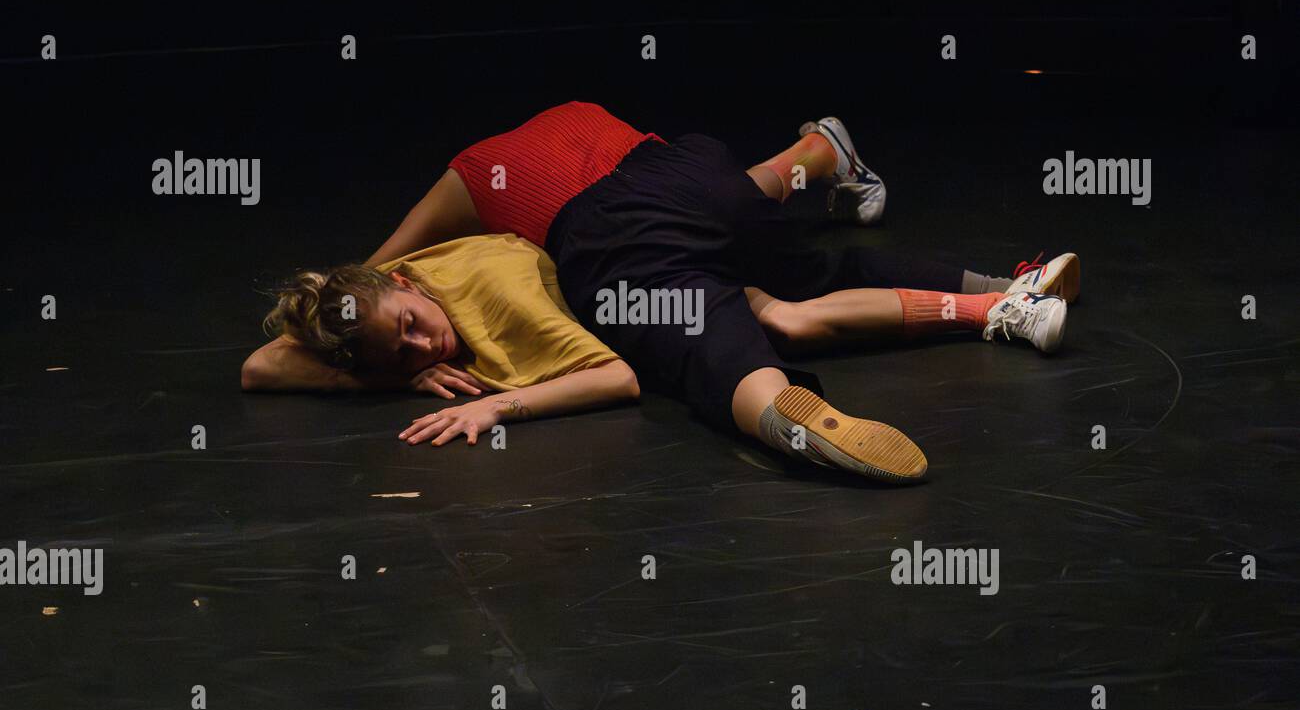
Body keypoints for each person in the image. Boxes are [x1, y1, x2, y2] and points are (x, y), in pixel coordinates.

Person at [244, 101, 1080, 483]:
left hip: (616, 227)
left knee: (711, 342)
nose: (428, 346)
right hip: (688, 173)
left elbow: (268, 361)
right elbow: (323, 320)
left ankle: (773, 411)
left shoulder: (468, 191)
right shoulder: (553, 141)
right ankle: (1002, 291)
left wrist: (394, 373)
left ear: (400, 281)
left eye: (413, 327)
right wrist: (396, 354)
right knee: (796, 289)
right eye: (409, 350)